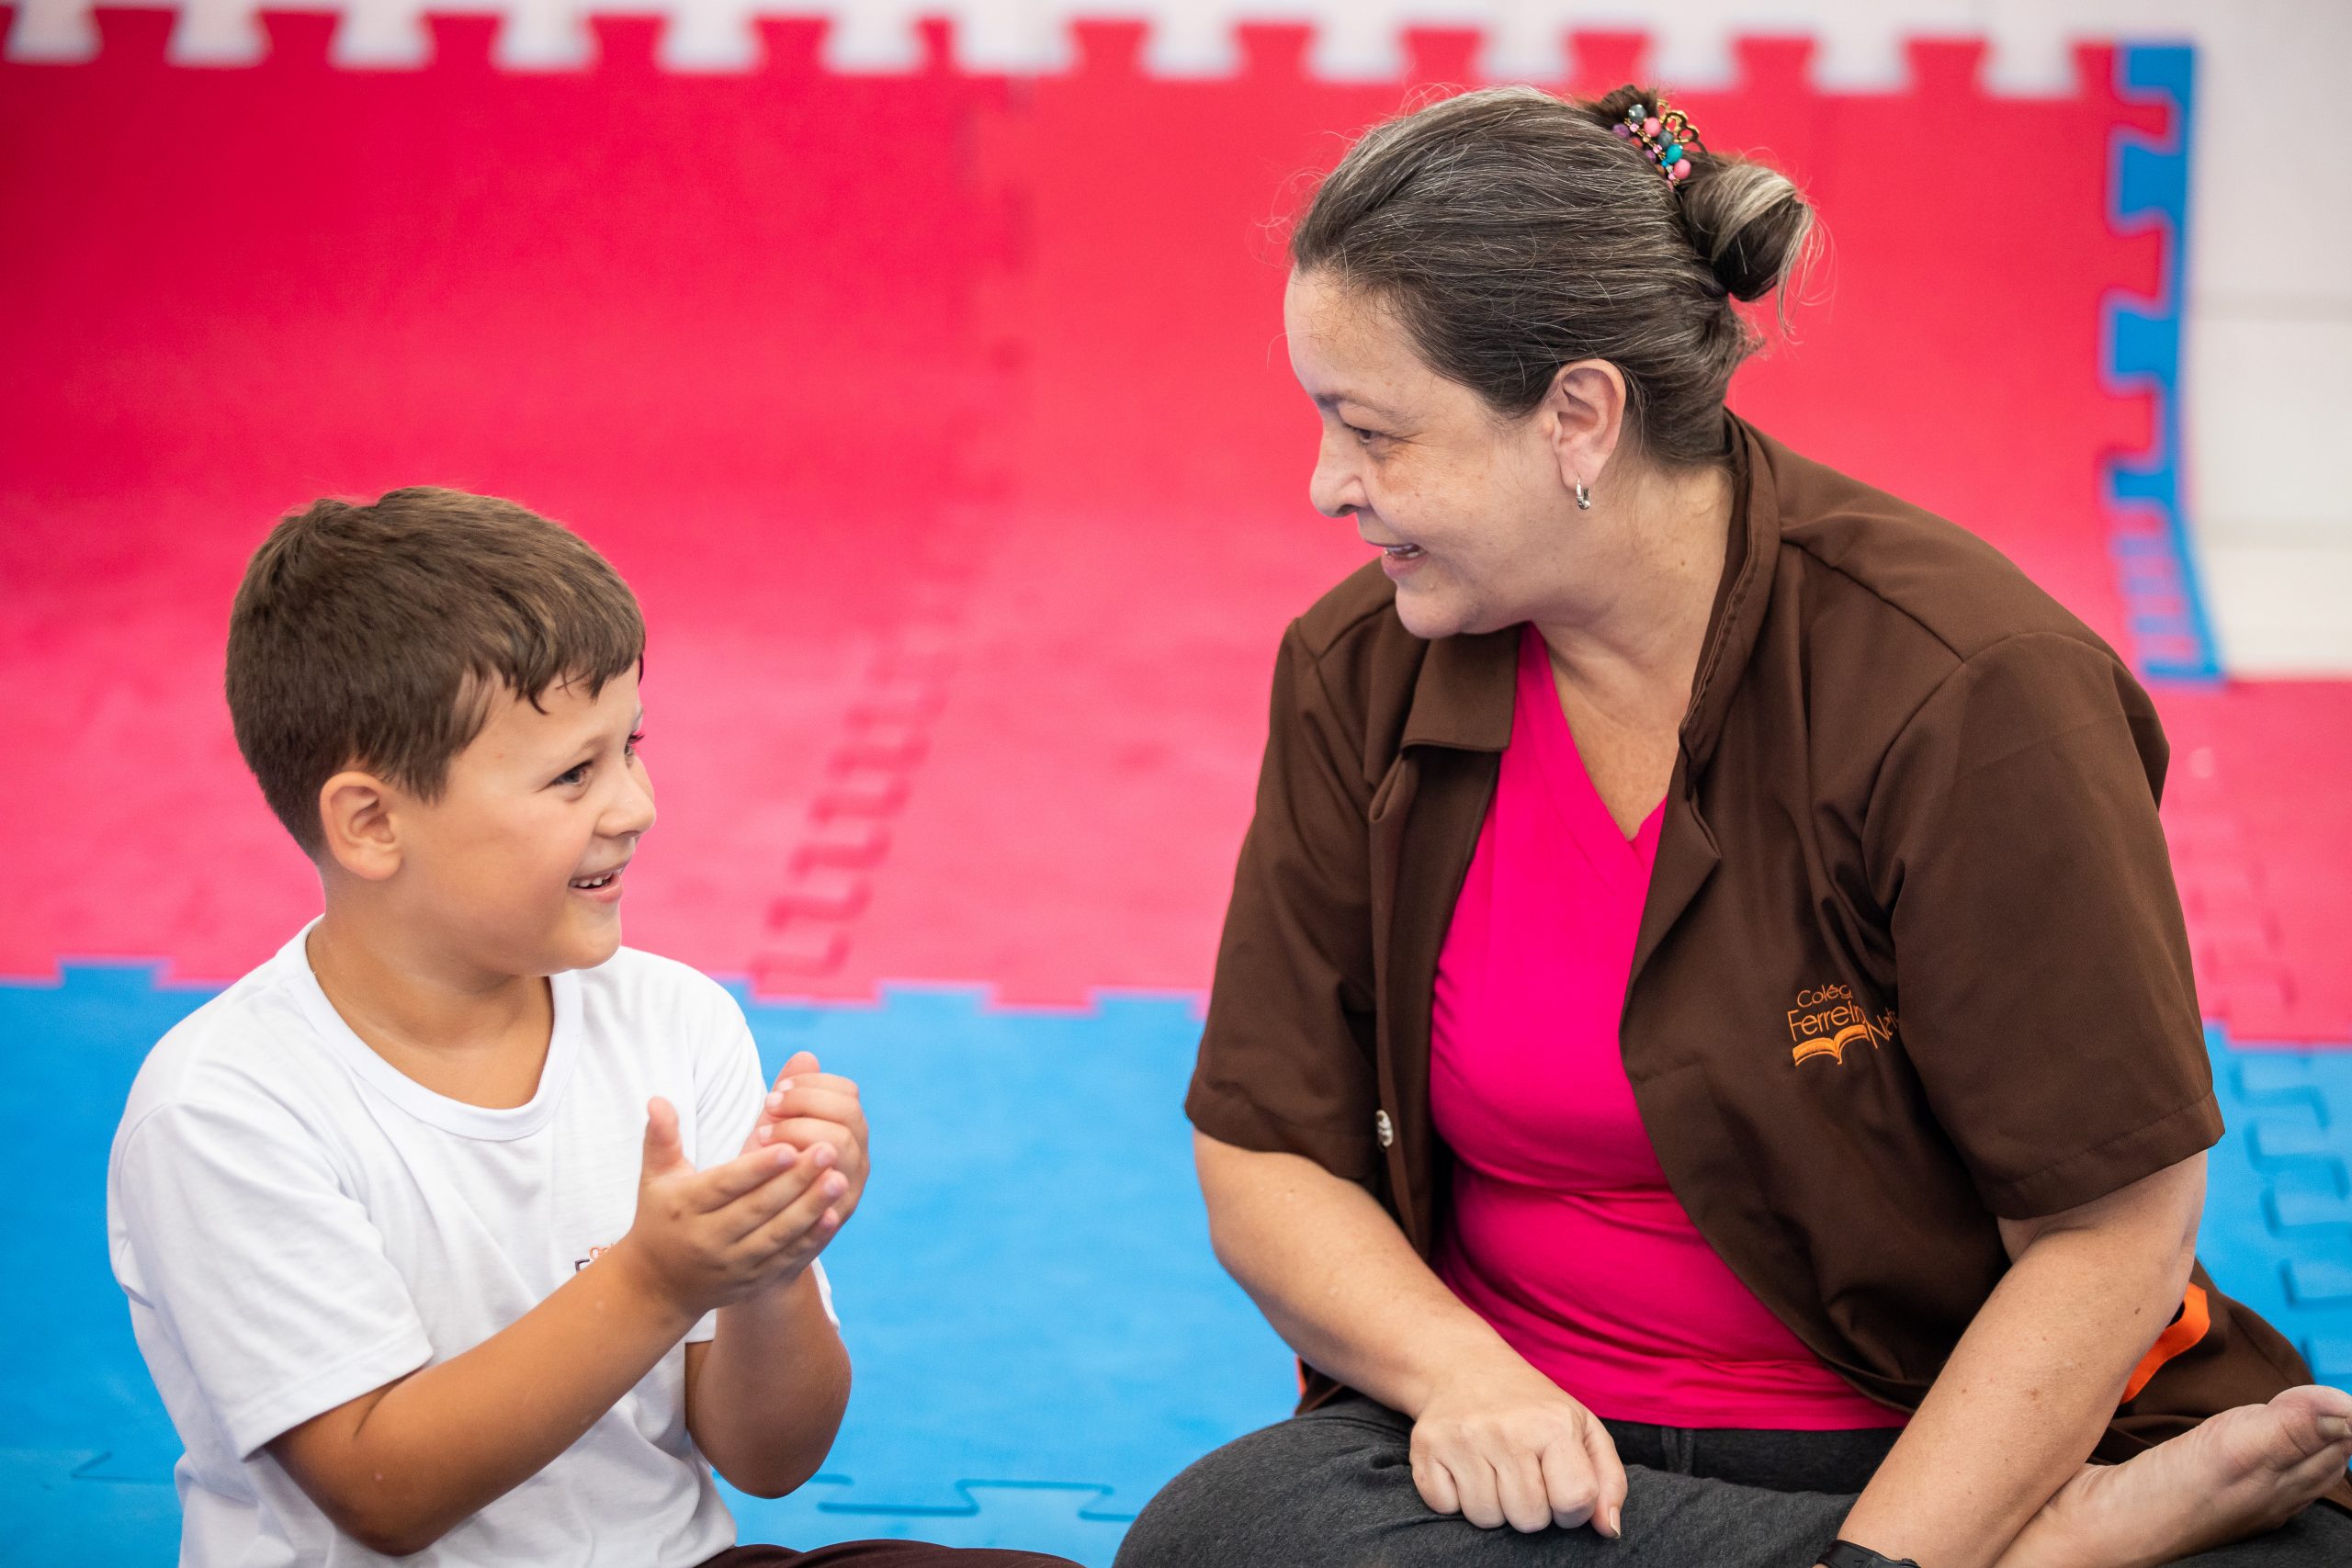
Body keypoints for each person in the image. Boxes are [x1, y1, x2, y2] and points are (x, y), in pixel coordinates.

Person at [1117, 85, 2352, 1568]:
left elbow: (2111, 1238)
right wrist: (1464, 1380)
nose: (1330, 486)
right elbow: (1267, 1152)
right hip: (1539, 1456)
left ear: (1580, 414)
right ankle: (2055, 1556)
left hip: (1932, 1427)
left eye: (1374, 429)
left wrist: (1880, 1553)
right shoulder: (1359, 669)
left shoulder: (1971, 691)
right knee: (1223, 1539)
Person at [104, 489, 1076, 1568]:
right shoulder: (226, 1105)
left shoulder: (675, 1020)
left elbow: (770, 1459)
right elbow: (380, 1495)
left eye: (630, 748)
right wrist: (655, 1280)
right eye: (574, 773)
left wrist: (770, 1265)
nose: (635, 805)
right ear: (373, 824)